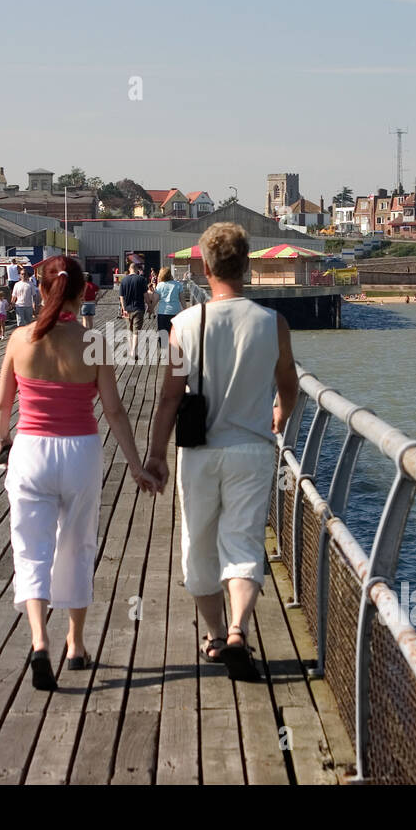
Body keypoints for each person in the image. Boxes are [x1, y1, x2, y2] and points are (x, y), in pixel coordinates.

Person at [0, 255, 158, 691]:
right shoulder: (95, 343)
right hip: (81, 453)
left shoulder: (19, 339)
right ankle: (77, 644)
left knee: (31, 549)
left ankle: (39, 640)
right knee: (77, 545)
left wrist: (4, 445)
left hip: (30, 451)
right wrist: (137, 465)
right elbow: (115, 410)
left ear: (44, 290)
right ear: (82, 291)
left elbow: (1, 406)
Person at [144, 223, 299, 681]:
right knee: (244, 542)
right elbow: (288, 386)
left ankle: (213, 637)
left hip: (199, 451)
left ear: (206, 268)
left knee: (199, 544)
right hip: (251, 450)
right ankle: (237, 630)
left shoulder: (184, 325)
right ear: (247, 266)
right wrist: (280, 413)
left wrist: (155, 454)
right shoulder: (273, 323)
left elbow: (171, 397)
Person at [152, 266, 186, 345]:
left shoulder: (160, 285)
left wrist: (151, 309)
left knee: (163, 335)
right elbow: (182, 300)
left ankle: (164, 353)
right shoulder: (178, 285)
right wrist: (185, 309)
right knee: (175, 335)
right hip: (175, 312)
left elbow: (155, 300)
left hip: (163, 312)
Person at [118, 262, 148, 349]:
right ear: (137, 270)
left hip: (127, 309)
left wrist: (124, 309)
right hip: (138, 308)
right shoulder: (141, 279)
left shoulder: (124, 280)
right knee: (136, 331)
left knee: (129, 330)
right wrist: (149, 305)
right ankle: (134, 351)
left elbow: (121, 297)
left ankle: (131, 348)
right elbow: (145, 295)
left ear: (129, 269)